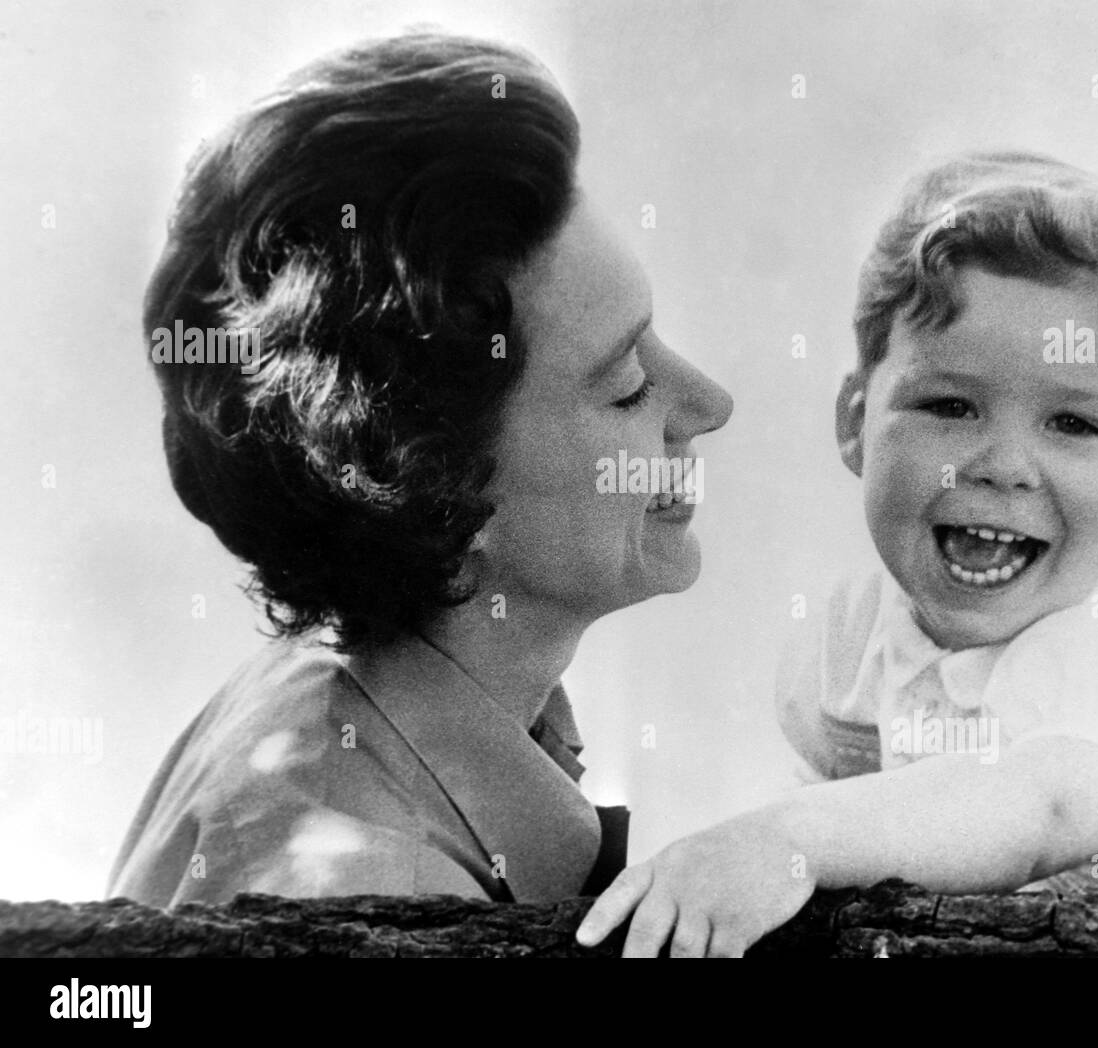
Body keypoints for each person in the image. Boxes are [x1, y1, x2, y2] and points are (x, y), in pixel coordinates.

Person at [576, 151, 1098, 957]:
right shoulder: (843, 645)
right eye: (950, 405)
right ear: (855, 421)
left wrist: (780, 839)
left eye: (1073, 424)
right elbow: (842, 857)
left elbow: (1034, 813)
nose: (1002, 465)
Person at [108, 31, 732, 909]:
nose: (709, 403)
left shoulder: (362, 682)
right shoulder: (372, 888)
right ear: (444, 493)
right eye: (627, 387)